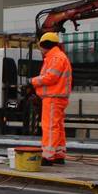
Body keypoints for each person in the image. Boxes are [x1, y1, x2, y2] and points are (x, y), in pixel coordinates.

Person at [30, 31, 72, 165]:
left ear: (44, 45)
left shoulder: (55, 58)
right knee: (57, 126)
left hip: (53, 97)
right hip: (58, 97)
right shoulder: (57, 56)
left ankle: (47, 156)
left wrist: (32, 81)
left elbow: (50, 77)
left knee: (49, 127)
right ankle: (59, 154)